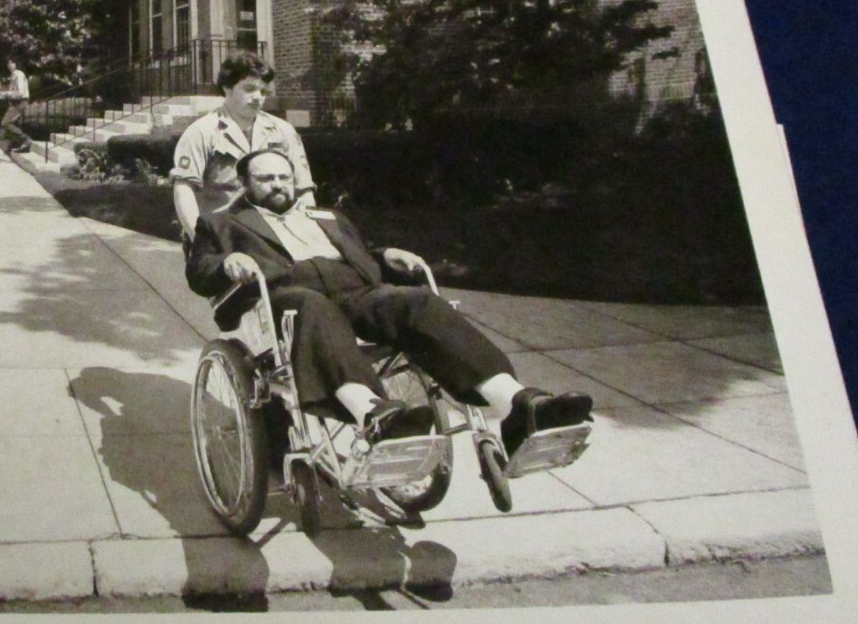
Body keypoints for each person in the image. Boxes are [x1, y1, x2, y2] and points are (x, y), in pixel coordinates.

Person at [186, 148, 594, 463]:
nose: (277, 183)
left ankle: (520, 406)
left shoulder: (326, 216)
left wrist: (386, 257)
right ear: (245, 183)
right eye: (266, 178)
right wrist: (227, 262)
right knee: (312, 306)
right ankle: (374, 415)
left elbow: (361, 256)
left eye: (283, 176)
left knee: (418, 301)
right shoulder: (222, 223)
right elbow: (199, 271)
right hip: (286, 297)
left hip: (357, 293)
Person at [171, 51, 314, 238]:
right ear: (227, 88)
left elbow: (304, 189)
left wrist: (307, 236)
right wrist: (201, 242)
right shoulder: (201, 132)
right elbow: (184, 191)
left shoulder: (283, 131)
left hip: (275, 239)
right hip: (221, 236)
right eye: (249, 89)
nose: (258, 97)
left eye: (263, 91)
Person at [0, 59, 32, 153]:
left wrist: (7, 94)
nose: (9, 65)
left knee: (6, 123)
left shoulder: (18, 74)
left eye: (12, 62)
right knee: (13, 124)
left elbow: (20, 92)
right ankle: (13, 145)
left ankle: (26, 140)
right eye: (8, 63)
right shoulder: (14, 75)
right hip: (15, 102)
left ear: (16, 64)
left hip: (20, 101)